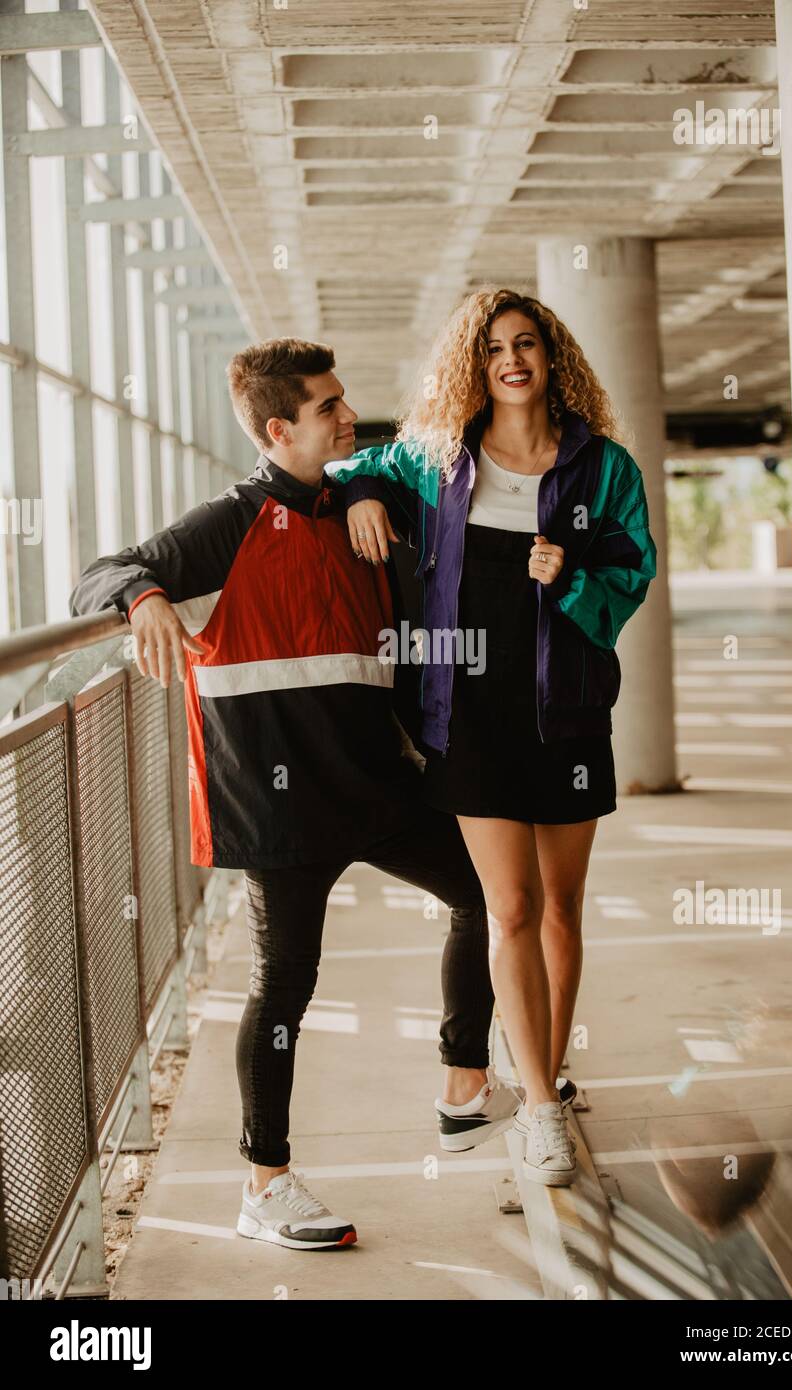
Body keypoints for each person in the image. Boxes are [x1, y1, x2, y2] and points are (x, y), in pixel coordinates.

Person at [69, 337, 522, 1252]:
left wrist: (355, 486)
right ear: (279, 429)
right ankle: (263, 1184)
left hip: (380, 787)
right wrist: (144, 596)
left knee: (485, 893)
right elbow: (98, 572)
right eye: (328, 409)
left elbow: (388, 470)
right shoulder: (225, 525)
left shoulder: (356, 504)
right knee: (283, 992)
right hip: (278, 812)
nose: (348, 416)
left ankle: (464, 1084)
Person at [327, 289, 657, 1185]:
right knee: (506, 908)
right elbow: (354, 466)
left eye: (525, 344)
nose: (510, 360)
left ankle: (543, 1068)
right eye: (491, 349)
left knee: (559, 908)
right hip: (466, 715)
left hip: (569, 709)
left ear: (551, 358)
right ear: (473, 366)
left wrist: (572, 575)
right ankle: (541, 1112)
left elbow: (636, 570)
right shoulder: (437, 460)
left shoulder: (602, 467)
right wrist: (361, 493)